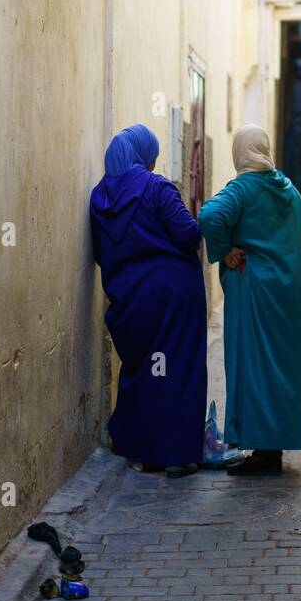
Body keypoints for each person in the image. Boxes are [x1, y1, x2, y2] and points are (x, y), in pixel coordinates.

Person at [90, 123, 206, 478]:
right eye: (151, 158)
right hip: (173, 296)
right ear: (143, 156)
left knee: (143, 369)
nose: (153, 165)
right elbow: (187, 235)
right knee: (178, 371)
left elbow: (98, 253)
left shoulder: (98, 197)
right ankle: (177, 454)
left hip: (128, 298)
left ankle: (141, 451)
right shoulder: (157, 187)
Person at [198, 124, 301, 477]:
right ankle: (271, 447)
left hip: (256, 292)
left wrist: (224, 251)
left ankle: (262, 450)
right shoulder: (289, 190)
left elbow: (208, 216)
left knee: (252, 365)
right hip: (290, 294)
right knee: (280, 368)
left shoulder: (243, 189)